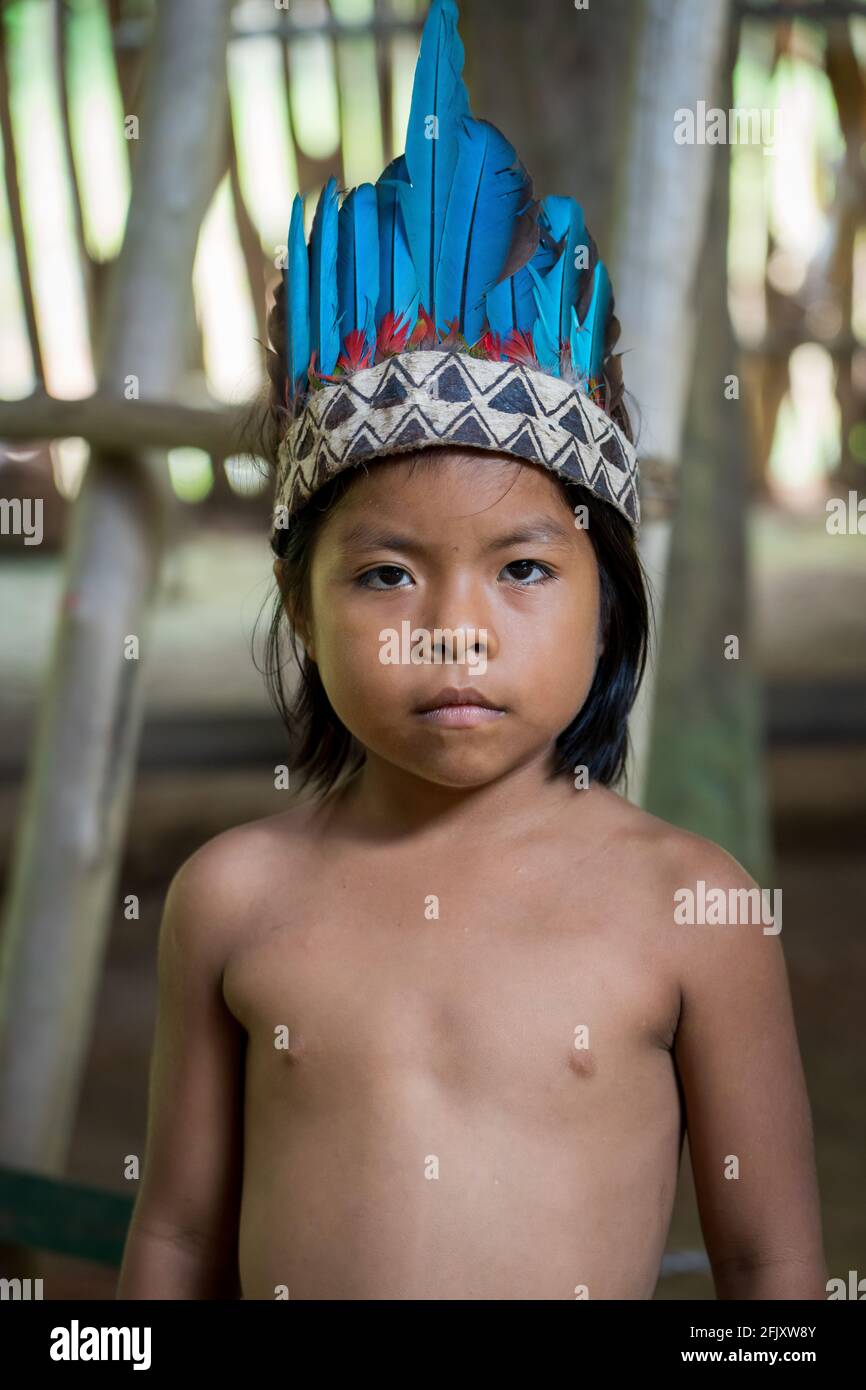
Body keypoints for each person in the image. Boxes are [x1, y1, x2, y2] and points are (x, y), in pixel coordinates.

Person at [117, 0, 825, 1300]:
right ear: (297, 597)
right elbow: (172, 1238)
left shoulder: (691, 907)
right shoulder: (232, 899)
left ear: (604, 596)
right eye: (386, 571)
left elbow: (771, 1264)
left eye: (521, 569)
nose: (454, 624)